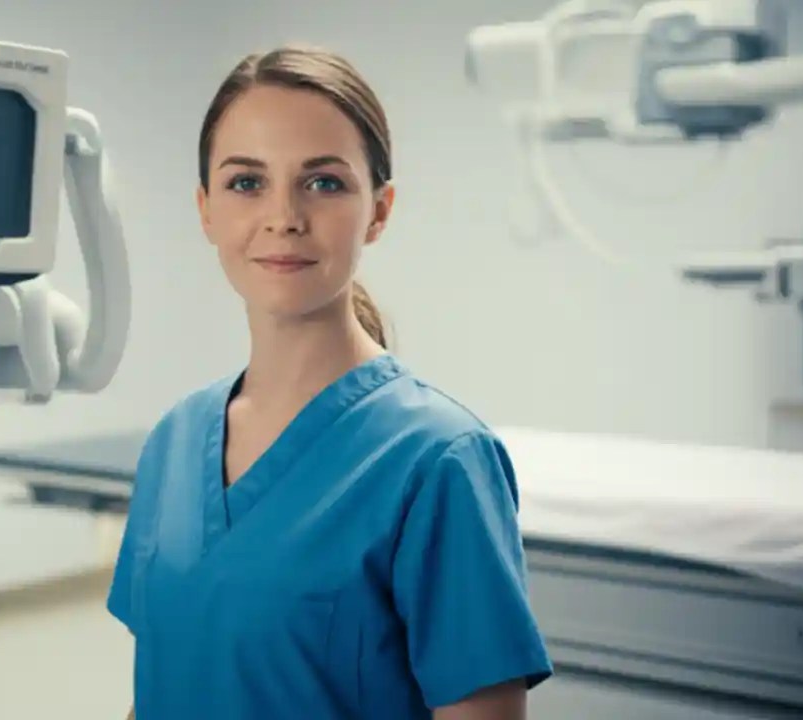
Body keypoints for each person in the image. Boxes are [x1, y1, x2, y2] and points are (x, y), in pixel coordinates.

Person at [108, 44, 553, 720]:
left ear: (379, 210)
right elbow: (162, 687)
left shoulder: (438, 461)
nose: (283, 216)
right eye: (246, 182)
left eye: (322, 183)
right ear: (205, 210)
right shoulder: (175, 440)